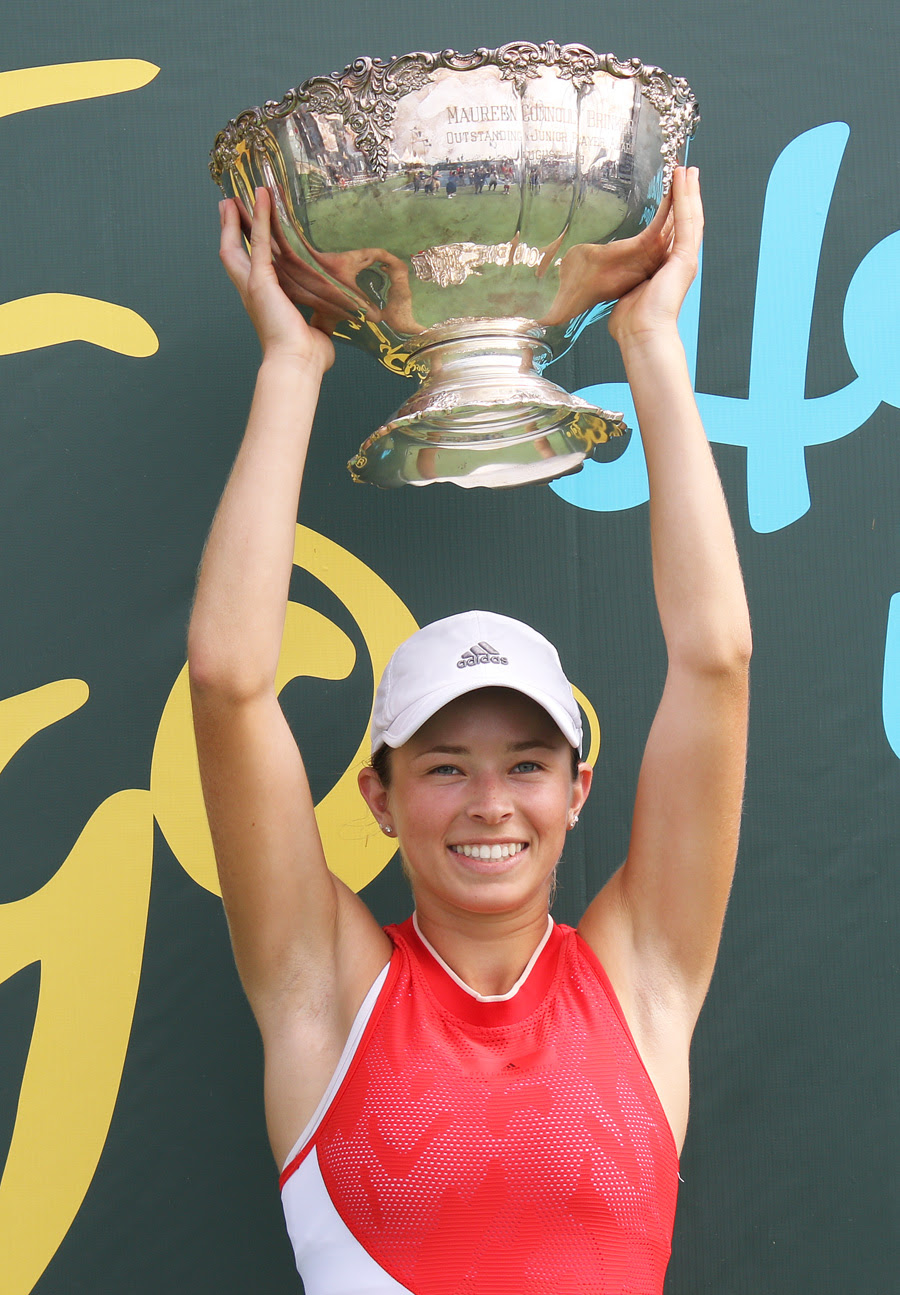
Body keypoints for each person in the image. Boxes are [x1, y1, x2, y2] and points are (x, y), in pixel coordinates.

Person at [189, 167, 751, 1294]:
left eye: (526, 762)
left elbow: (717, 661)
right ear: (380, 795)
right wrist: (292, 366)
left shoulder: (642, 978)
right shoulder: (324, 991)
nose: (491, 801)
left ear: (577, 789)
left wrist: (651, 340)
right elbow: (228, 680)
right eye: (446, 765)